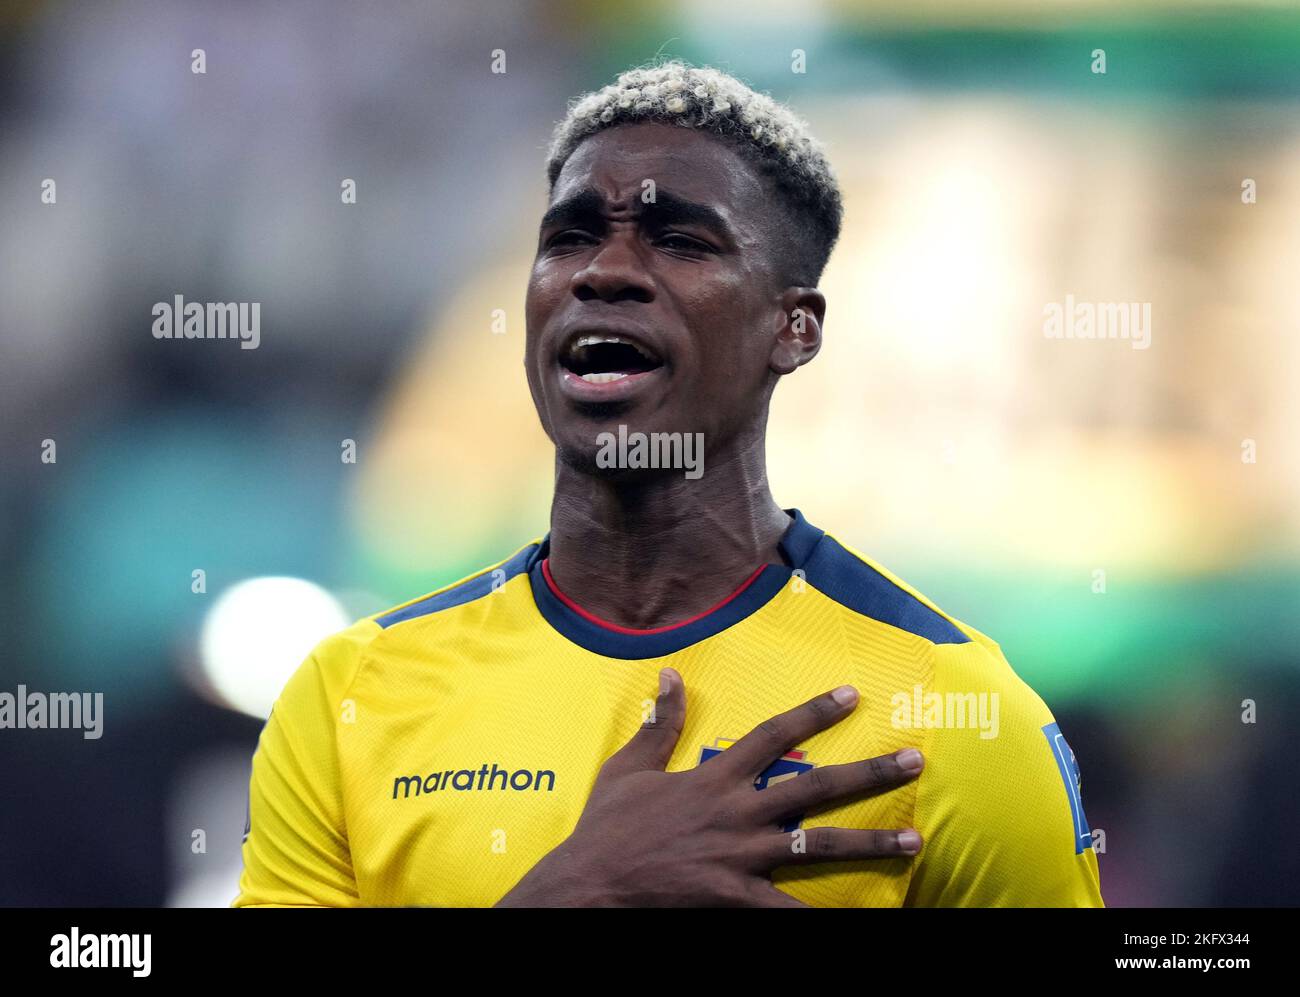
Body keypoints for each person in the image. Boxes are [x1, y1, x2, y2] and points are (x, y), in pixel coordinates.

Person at [234, 61, 1103, 908]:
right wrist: (582, 887)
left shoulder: (955, 711)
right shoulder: (352, 693)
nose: (601, 272)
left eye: (681, 240)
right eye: (569, 237)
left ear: (793, 329)